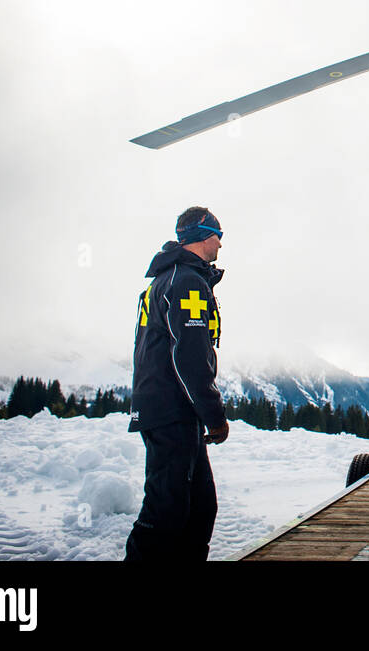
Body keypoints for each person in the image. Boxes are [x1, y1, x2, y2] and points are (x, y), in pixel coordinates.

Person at [124, 207, 230, 561]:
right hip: (171, 411)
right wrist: (214, 416)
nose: (221, 244)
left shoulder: (167, 279)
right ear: (204, 236)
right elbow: (189, 359)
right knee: (165, 511)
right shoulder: (186, 282)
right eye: (218, 236)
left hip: (173, 410)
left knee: (200, 508)